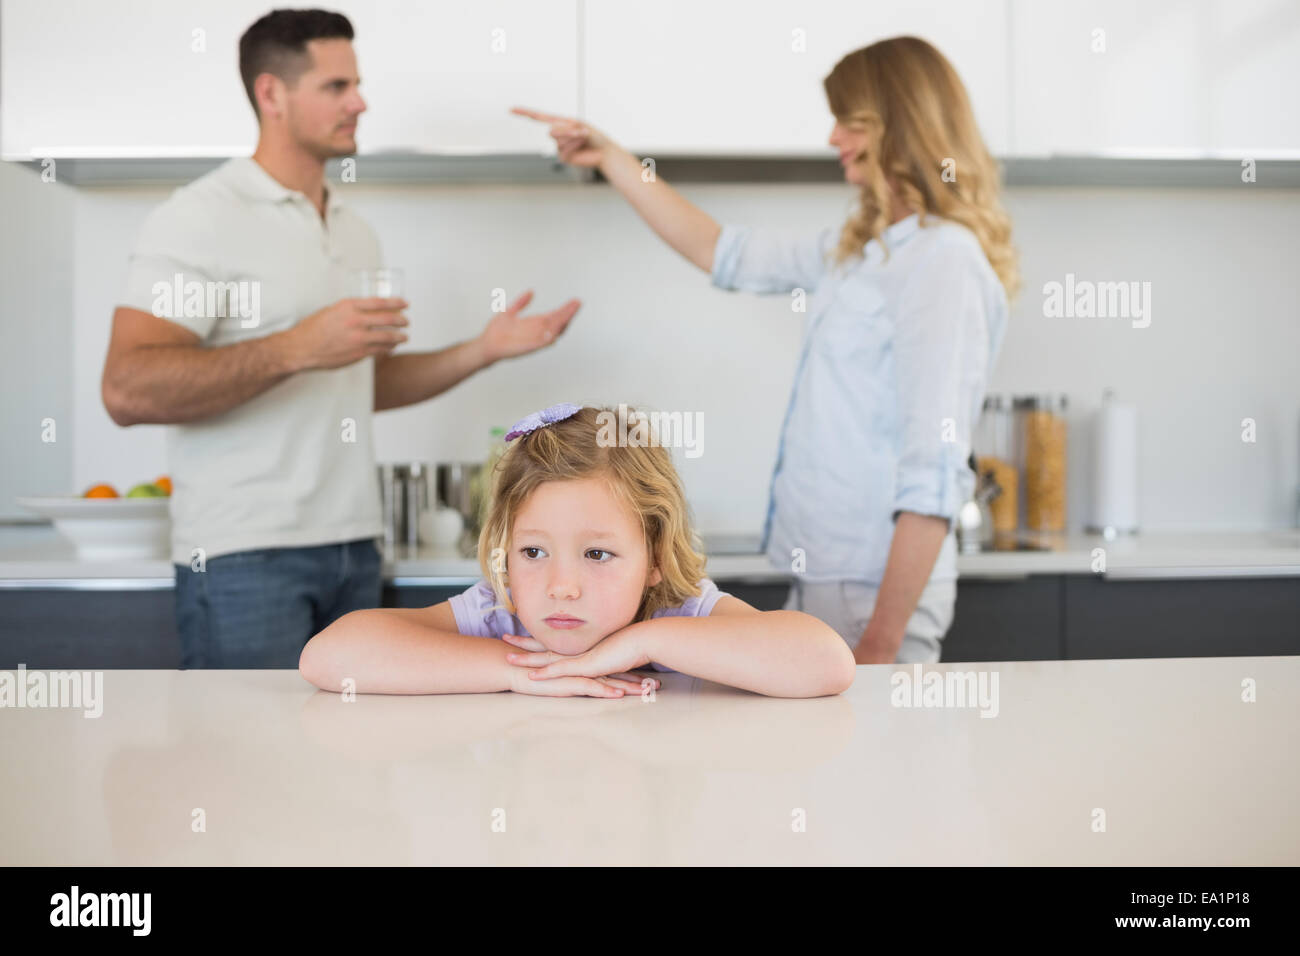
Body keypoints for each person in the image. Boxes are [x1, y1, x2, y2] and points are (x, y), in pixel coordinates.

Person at [513, 36, 1017, 664]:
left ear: (899, 123)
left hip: (876, 592)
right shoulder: (864, 251)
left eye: (848, 121)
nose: (833, 138)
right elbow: (721, 250)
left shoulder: (944, 264)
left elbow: (933, 476)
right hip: (831, 579)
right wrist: (613, 159)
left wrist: (884, 640)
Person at [100, 9, 580, 668]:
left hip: (354, 548)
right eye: (335, 87)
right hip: (244, 556)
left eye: (356, 84)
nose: (360, 102)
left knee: (350, 762)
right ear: (272, 94)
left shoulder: (355, 230)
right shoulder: (198, 219)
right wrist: (298, 344)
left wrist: (483, 349)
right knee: (249, 759)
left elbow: (358, 383)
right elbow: (127, 389)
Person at [300, 403, 856, 698]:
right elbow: (328, 656)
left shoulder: (678, 611)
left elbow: (826, 662)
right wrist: (518, 670)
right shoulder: (502, 616)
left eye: (597, 555)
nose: (560, 586)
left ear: (655, 556)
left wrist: (643, 640)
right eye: (534, 553)